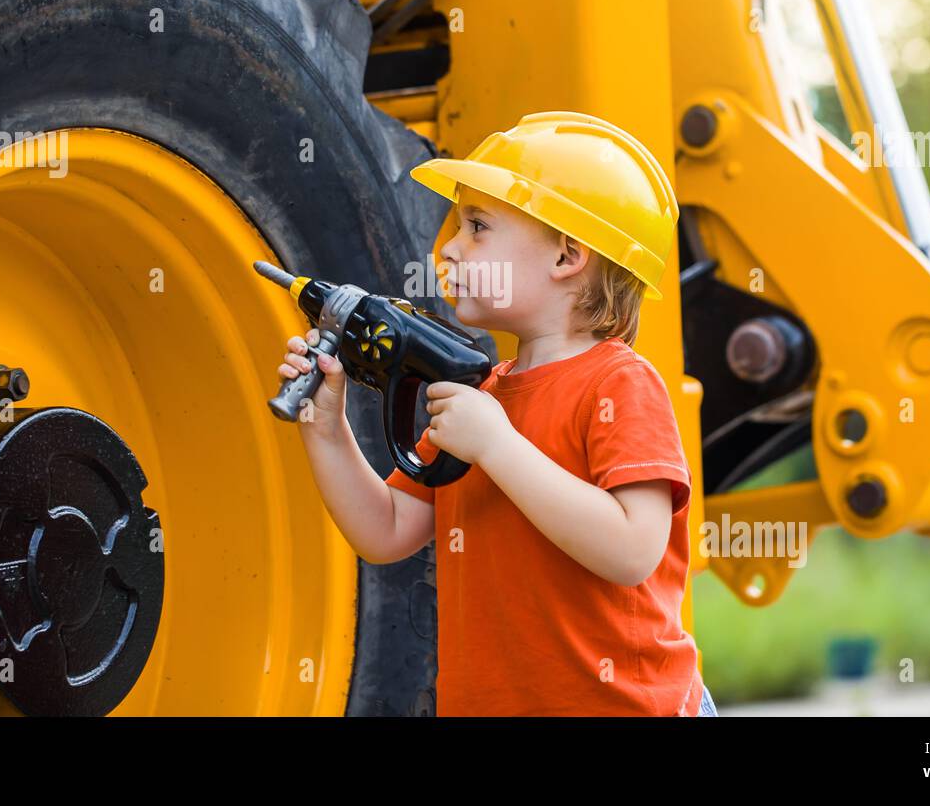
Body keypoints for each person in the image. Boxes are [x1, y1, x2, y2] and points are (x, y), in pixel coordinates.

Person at [278, 111, 707, 715]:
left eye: (477, 226)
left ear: (567, 255)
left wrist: (498, 447)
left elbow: (633, 550)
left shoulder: (619, 385)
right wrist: (327, 428)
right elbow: (385, 530)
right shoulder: (481, 395)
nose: (448, 248)